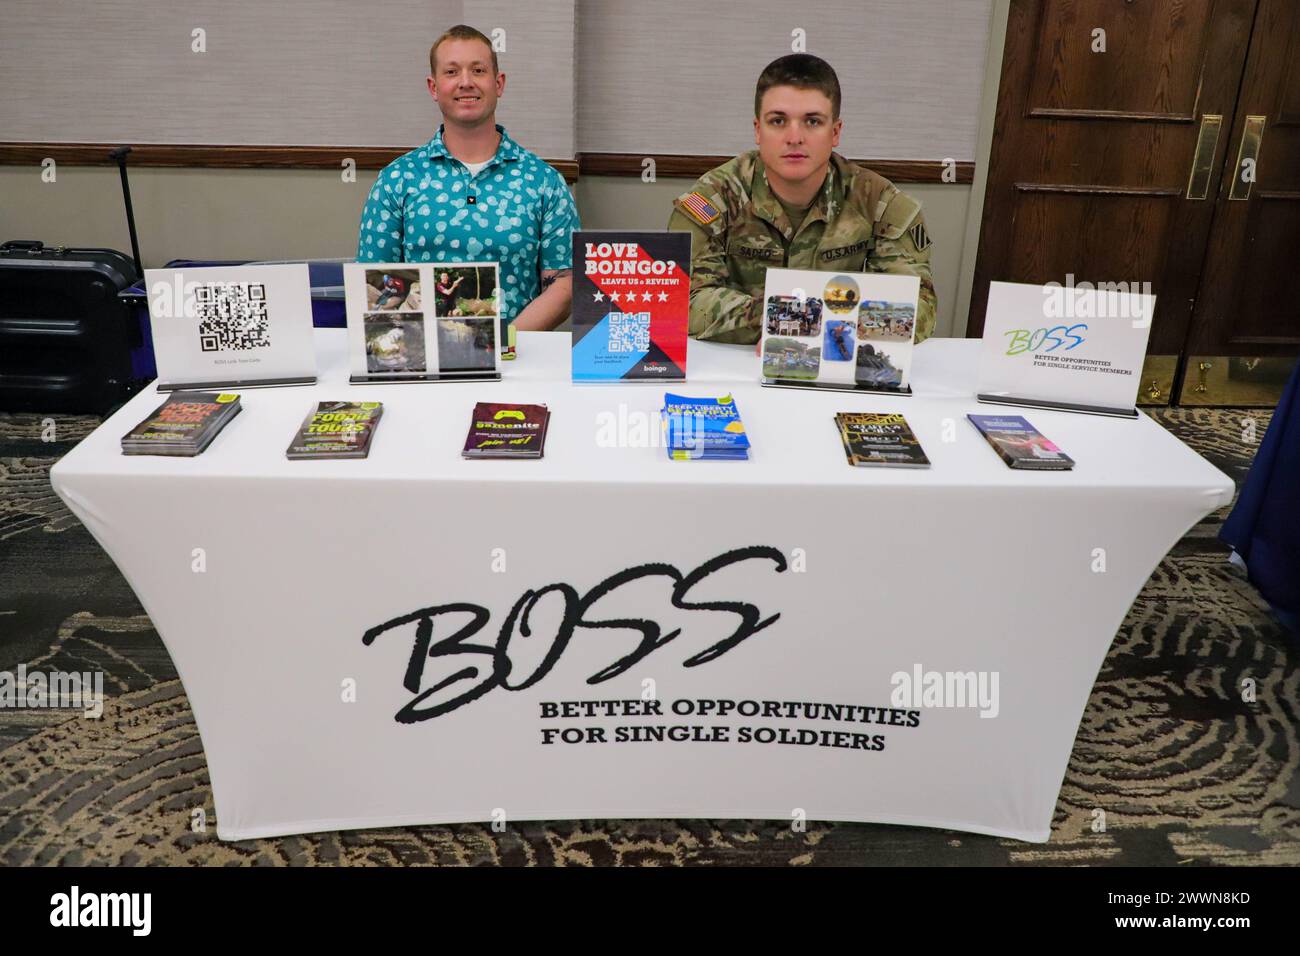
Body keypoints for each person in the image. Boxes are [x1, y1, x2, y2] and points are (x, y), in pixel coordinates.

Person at [667, 53, 937, 345]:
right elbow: (683, 299)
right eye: (778, 121)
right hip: (737, 368)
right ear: (758, 130)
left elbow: (916, 309)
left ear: (835, 132)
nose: (794, 137)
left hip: (841, 364)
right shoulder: (715, 199)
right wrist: (780, 318)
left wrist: (819, 325)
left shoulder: (879, 204)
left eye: (812, 121)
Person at [356, 24, 579, 349]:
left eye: (478, 70)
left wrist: (501, 344)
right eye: (451, 71)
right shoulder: (397, 179)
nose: (466, 82)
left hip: (516, 357)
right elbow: (373, 283)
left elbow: (565, 284)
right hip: (417, 359)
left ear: (498, 83)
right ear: (434, 87)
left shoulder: (543, 182)